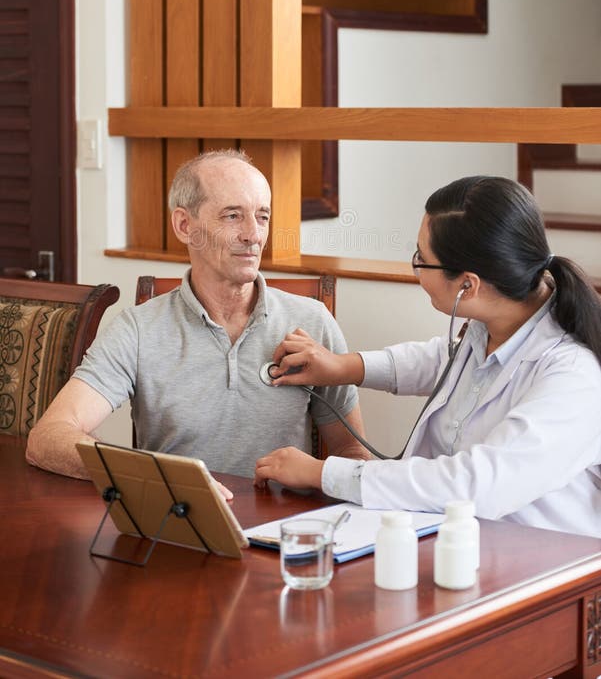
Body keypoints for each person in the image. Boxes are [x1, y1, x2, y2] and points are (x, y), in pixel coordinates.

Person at [255, 175, 601, 537]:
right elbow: (441, 360)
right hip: (456, 540)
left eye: (422, 259)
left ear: (468, 285)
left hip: (543, 564)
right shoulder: (494, 325)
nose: (416, 267)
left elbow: (474, 486)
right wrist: (345, 367)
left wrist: (322, 472)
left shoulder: (572, 377)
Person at [26, 150, 367, 487]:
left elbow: (352, 452)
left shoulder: (312, 320)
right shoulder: (138, 330)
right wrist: (160, 479)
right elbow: (48, 437)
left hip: (285, 535)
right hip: (177, 528)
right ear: (185, 225)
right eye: (232, 216)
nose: (253, 235)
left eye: (262, 216)